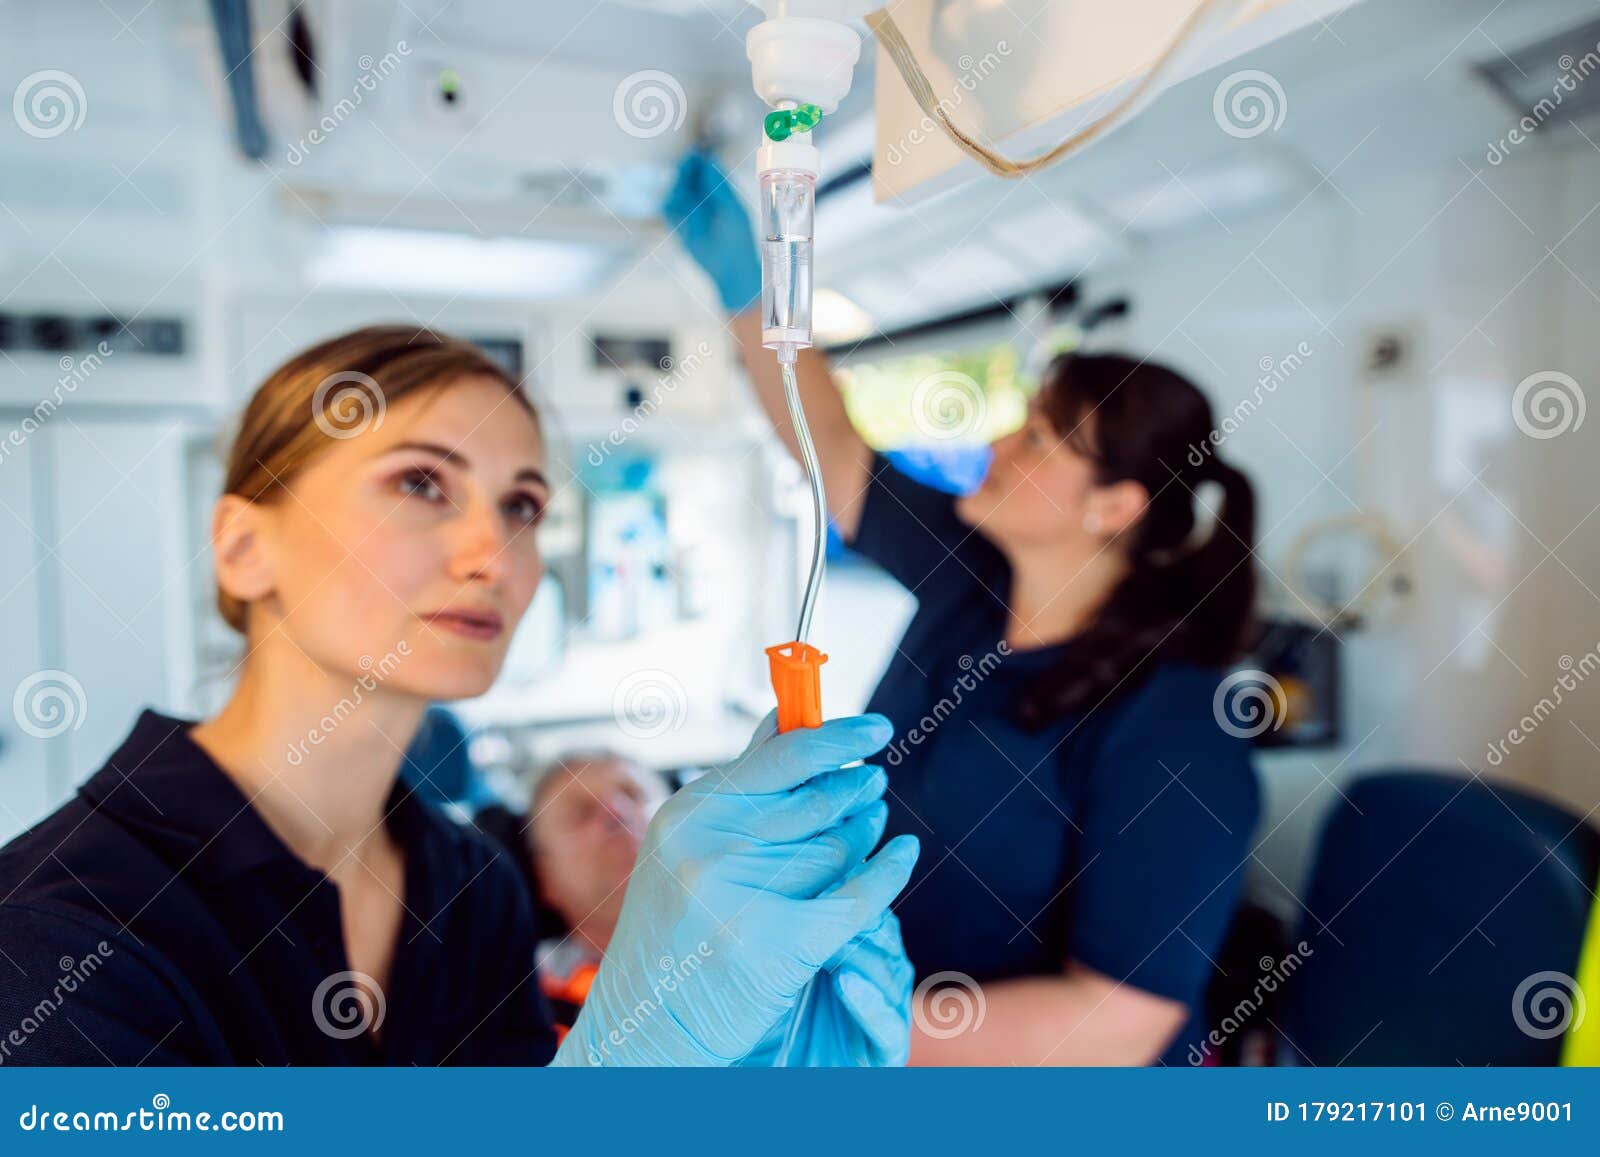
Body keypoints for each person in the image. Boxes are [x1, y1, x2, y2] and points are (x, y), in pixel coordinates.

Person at [0, 325, 919, 1067]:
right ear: (244, 545)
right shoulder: (58, 929)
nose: (494, 552)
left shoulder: (470, 886)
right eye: (421, 482)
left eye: (521, 505)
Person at [666, 151, 1262, 1066]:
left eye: (1035, 439)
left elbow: (1111, 1022)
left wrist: (862, 1034)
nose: (995, 442)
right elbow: (825, 441)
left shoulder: (1174, 730)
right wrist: (757, 293)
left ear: (1114, 507)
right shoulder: (970, 584)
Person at [475, 750, 668, 1032]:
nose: (617, 811)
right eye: (581, 813)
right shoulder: (516, 1006)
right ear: (543, 877)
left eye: (633, 793)